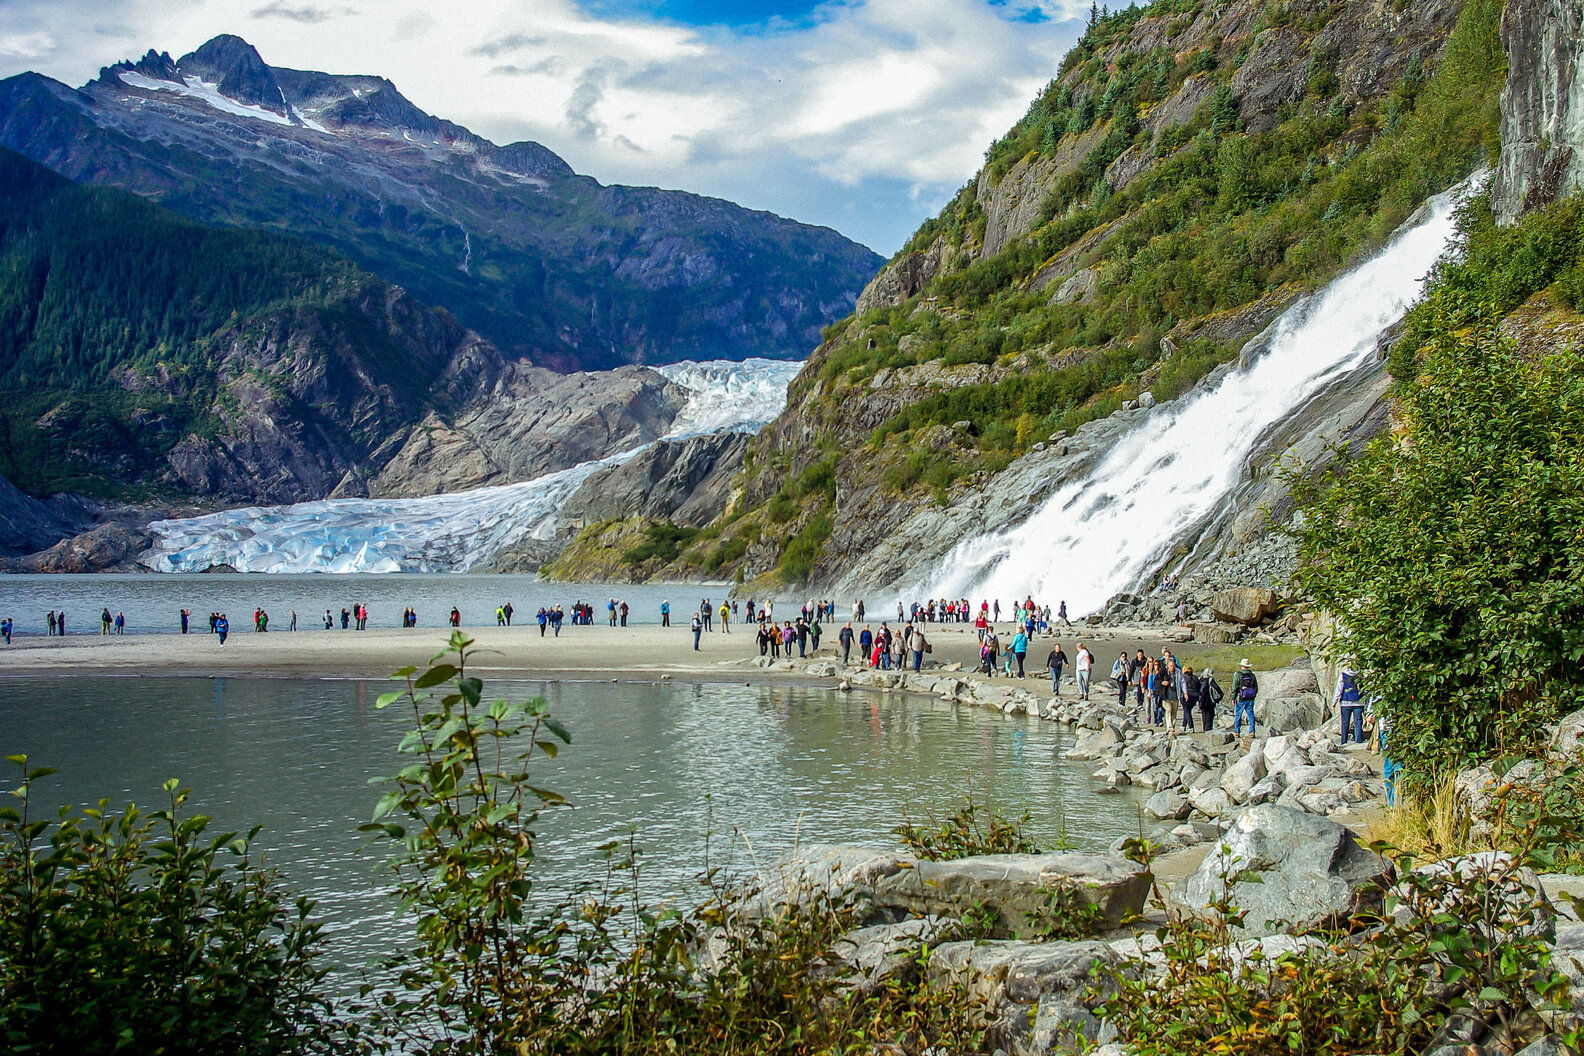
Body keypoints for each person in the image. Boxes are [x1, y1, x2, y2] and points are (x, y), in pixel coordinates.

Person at [1334, 663, 1365, 745]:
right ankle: (1358, 740)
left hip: (1345, 702)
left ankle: (1344, 741)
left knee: (1345, 722)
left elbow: (1339, 689)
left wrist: (1334, 702)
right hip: (1358, 701)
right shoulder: (1361, 675)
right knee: (1358, 722)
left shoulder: (1343, 675)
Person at [1232, 659, 1259, 737]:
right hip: (1250, 698)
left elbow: (1234, 687)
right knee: (1250, 714)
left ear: (1241, 666)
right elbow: (1256, 688)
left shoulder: (1238, 675)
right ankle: (1252, 731)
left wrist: (1233, 698)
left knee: (1238, 715)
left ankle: (1236, 731)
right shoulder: (1252, 675)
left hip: (1240, 698)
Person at [1181, 665, 1201, 731]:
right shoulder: (1195, 677)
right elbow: (1199, 687)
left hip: (1186, 695)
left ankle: (1191, 726)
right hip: (1195, 696)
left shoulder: (1183, 677)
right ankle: (1183, 725)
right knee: (1187, 711)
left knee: (1187, 711)